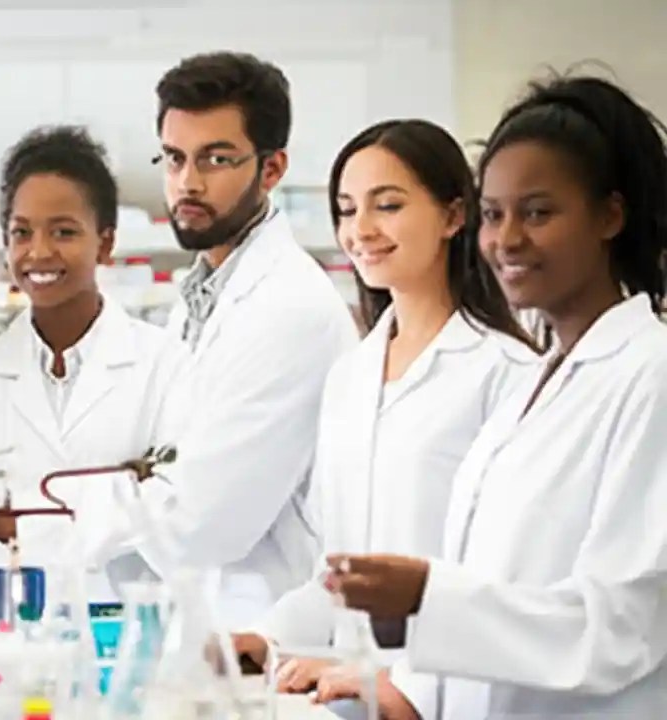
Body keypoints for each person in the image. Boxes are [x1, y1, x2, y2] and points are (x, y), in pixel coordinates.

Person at [325, 75, 667, 718]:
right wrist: (414, 690)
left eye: (538, 212)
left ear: (609, 216)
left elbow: (623, 624)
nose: (506, 240)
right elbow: (499, 584)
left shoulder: (651, 377)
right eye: (494, 214)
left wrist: (428, 598)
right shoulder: (546, 381)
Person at [230, 120, 541, 715]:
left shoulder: (506, 372)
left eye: (388, 205)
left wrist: (404, 682)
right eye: (347, 210)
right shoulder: (351, 374)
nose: (361, 231)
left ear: (455, 216)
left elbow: (508, 586)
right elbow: (339, 569)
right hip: (347, 692)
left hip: (444, 698)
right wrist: (265, 640)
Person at [0, 126, 189, 600]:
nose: (39, 252)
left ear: (105, 244)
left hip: (130, 619)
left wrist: (21, 520)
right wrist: (120, 489)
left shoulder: (163, 361)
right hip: (17, 629)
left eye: (63, 231)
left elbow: (176, 505)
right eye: (21, 233)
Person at [140, 51, 358, 625]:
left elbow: (200, 529)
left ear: (271, 168)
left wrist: (112, 493)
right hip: (213, 627)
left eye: (215, 159)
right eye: (174, 158)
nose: (187, 182)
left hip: (272, 632)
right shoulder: (199, 297)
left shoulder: (291, 309)